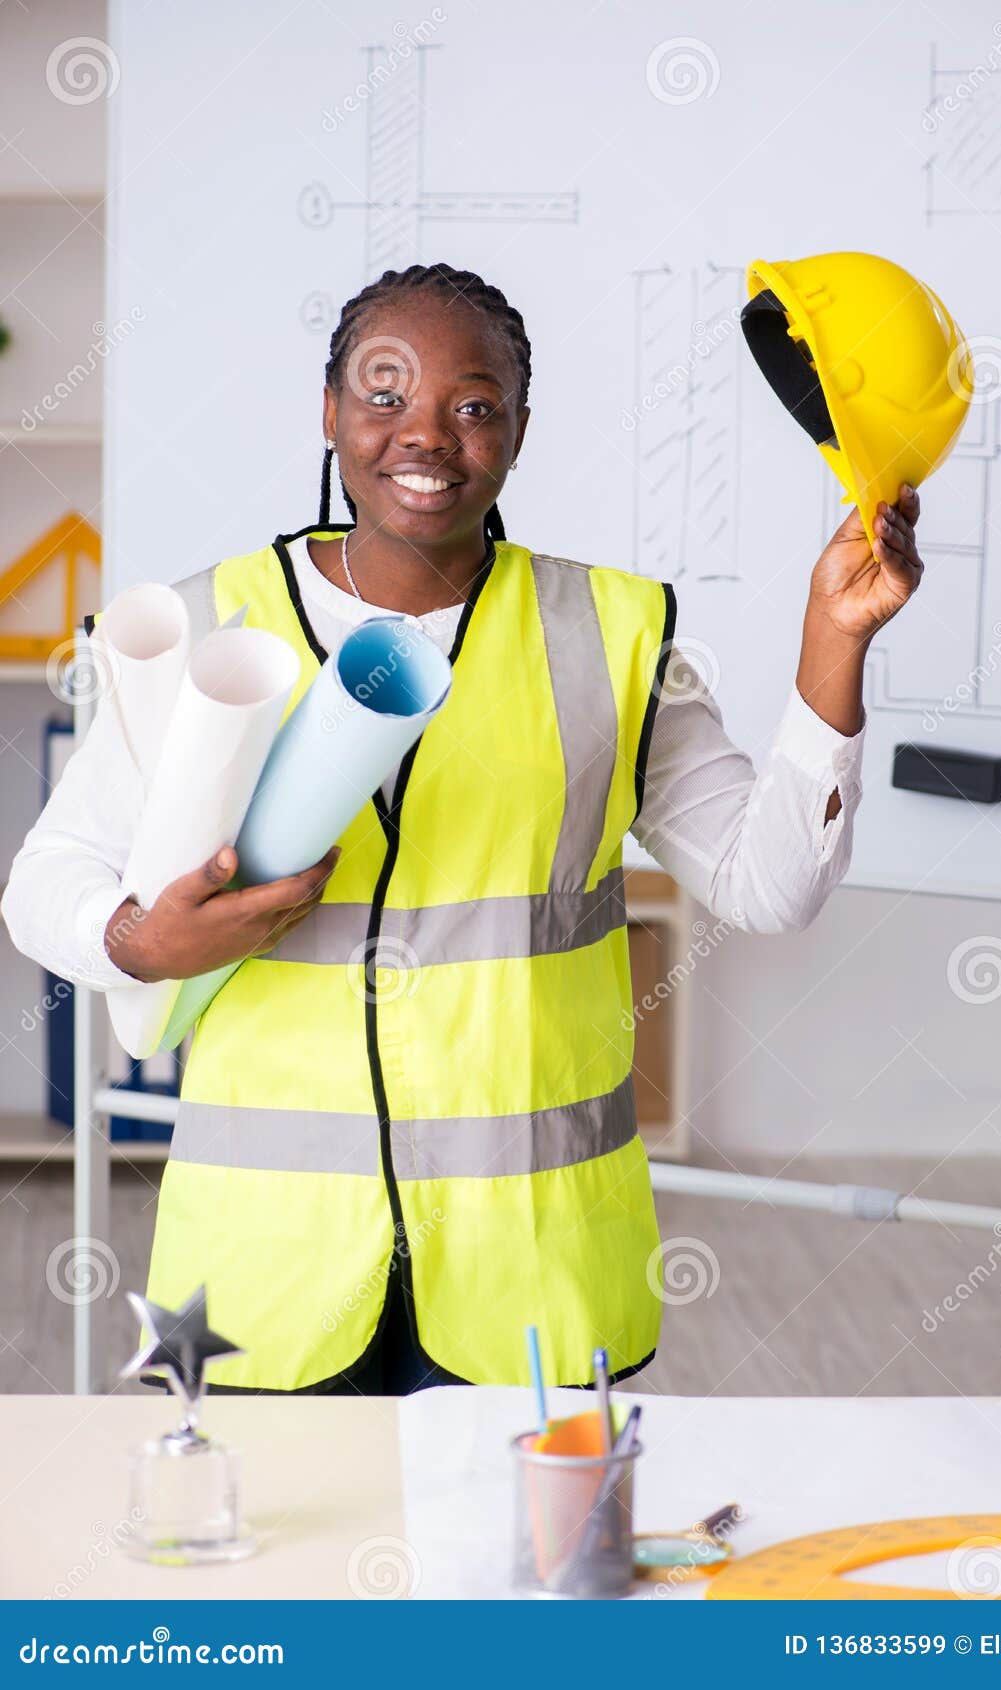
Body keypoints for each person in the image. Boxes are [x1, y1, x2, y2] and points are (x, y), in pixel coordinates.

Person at [2, 262, 924, 1397]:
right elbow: (45, 879)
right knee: (271, 1568)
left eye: (473, 405)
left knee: (525, 1571)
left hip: (527, 1277)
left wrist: (835, 643)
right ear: (329, 410)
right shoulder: (206, 624)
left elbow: (768, 885)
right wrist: (139, 941)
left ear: (520, 429)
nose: (426, 436)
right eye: (384, 395)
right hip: (265, 1277)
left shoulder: (614, 632)